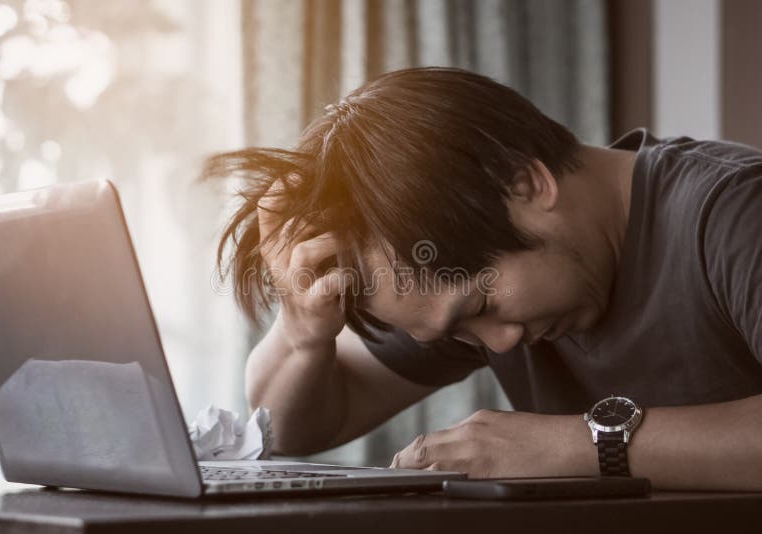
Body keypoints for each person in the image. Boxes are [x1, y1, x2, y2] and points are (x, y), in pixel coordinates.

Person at [202, 67, 762, 491]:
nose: (499, 343)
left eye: (481, 305)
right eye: (458, 333)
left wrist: (576, 445)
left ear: (525, 184)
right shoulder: (452, 288)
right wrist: (302, 334)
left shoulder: (735, 213)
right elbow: (295, 429)